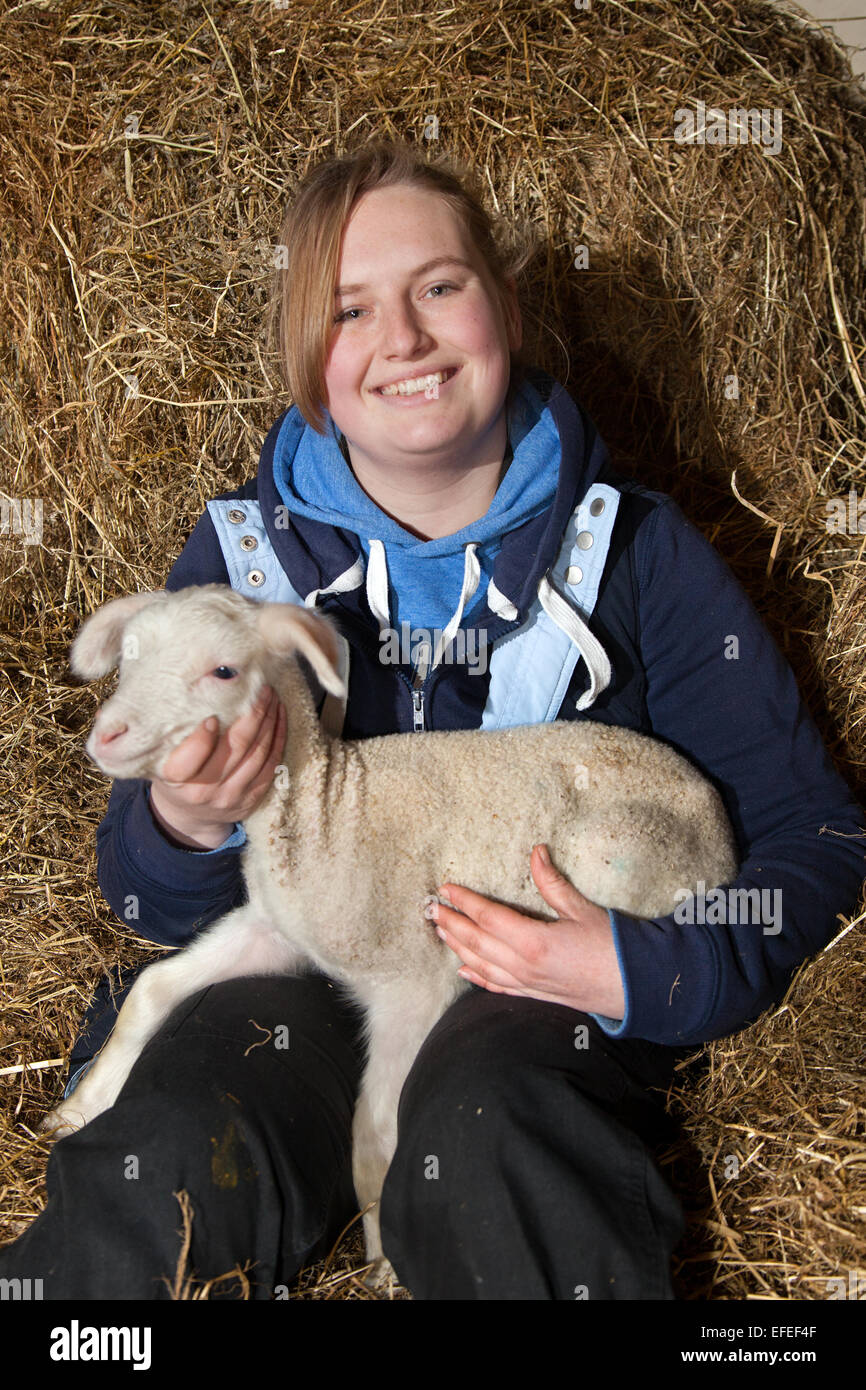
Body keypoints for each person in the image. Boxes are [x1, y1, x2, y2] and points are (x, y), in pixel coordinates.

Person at [3, 138, 864, 1301]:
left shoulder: (637, 556)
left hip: (524, 993)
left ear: (502, 304)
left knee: (495, 1135)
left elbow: (811, 836)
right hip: (298, 982)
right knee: (168, 1145)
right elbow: (144, 899)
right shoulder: (240, 574)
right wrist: (186, 821)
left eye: (439, 287)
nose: (402, 339)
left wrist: (641, 964)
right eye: (349, 309)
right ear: (306, 356)